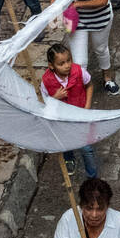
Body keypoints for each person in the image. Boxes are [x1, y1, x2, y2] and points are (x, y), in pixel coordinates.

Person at [42, 42, 98, 179]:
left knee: (86, 148)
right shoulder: (46, 81)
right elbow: (45, 103)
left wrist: (87, 106)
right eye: (61, 63)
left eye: (68, 61)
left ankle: (92, 176)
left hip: (80, 115)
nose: (67, 65)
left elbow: (89, 86)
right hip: (61, 119)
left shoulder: (79, 72)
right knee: (65, 142)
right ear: (51, 66)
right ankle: (69, 158)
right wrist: (55, 97)